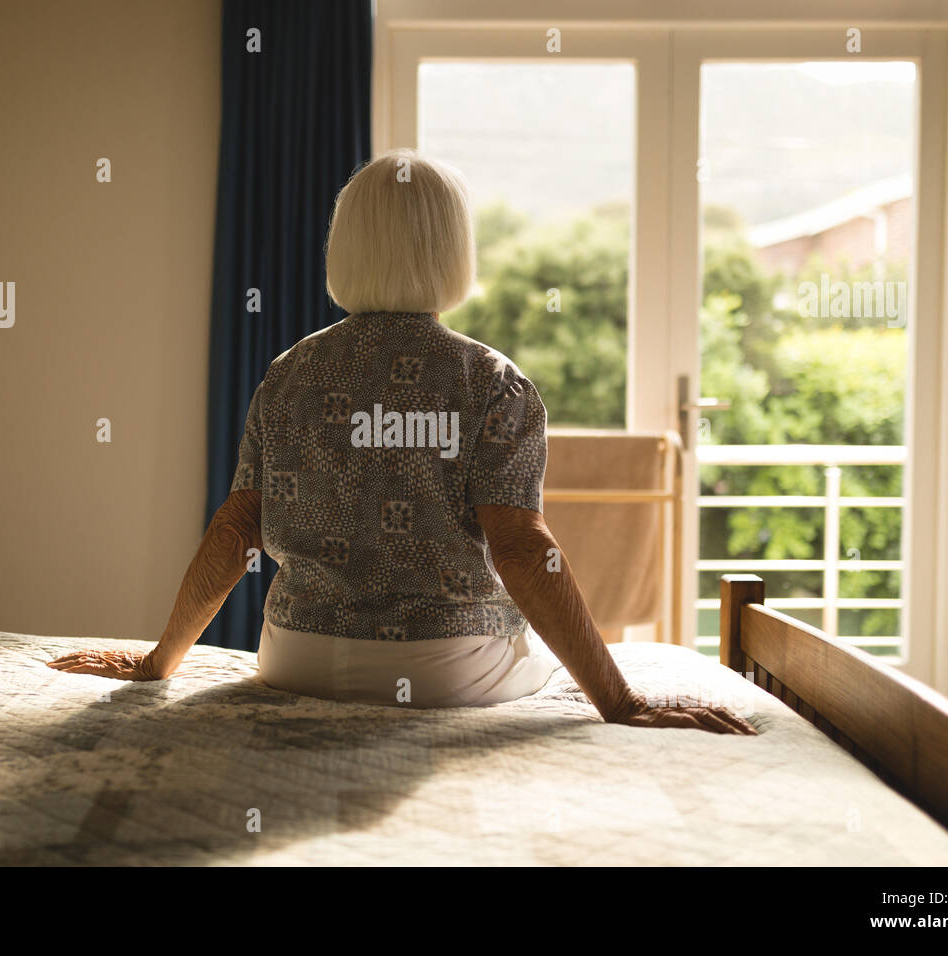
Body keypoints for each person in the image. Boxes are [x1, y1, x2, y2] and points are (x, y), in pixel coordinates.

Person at [49, 149, 754, 734]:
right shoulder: (491, 381)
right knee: (530, 651)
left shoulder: (288, 374)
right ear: (455, 250)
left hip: (296, 656)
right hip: (445, 670)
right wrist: (621, 702)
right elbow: (518, 546)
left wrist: (157, 664)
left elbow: (237, 530)